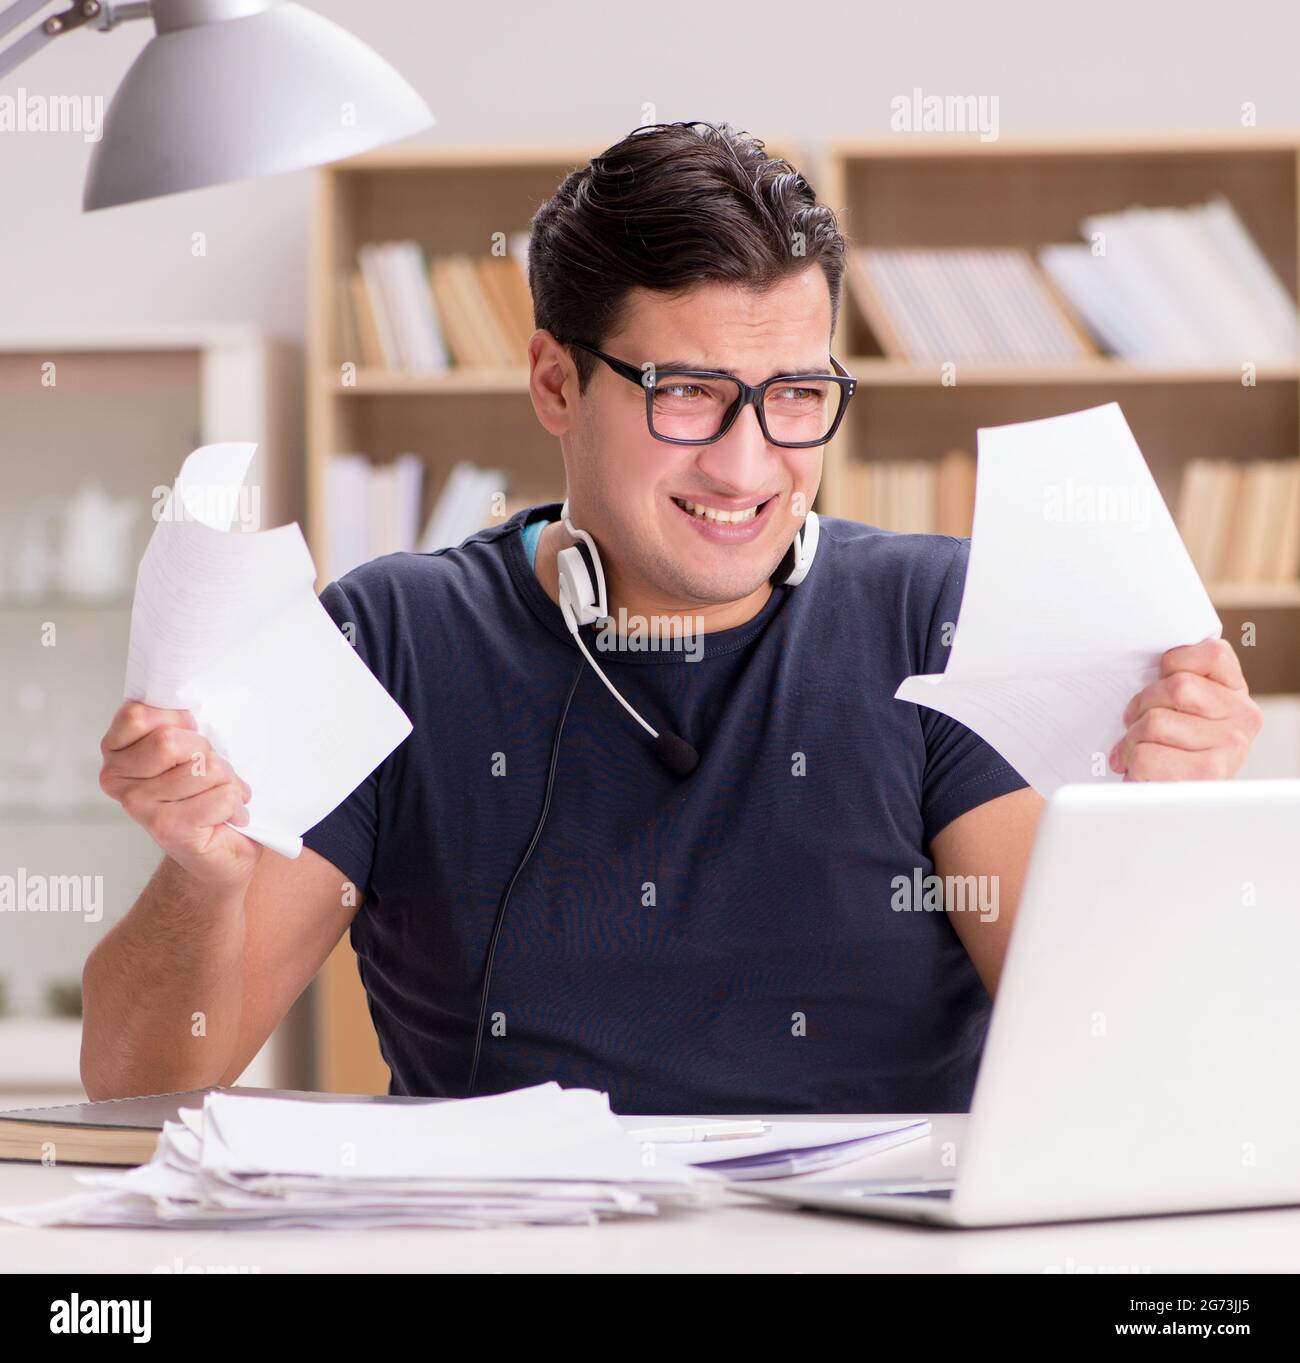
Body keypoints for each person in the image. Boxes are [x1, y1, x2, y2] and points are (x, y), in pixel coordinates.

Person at [87, 122, 1262, 1112]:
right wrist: (202, 878)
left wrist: (1160, 832)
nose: (750, 464)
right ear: (555, 381)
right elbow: (138, 1088)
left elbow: (1126, 1068)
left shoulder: (934, 617)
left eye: (796, 395)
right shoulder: (393, 639)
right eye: (689, 393)